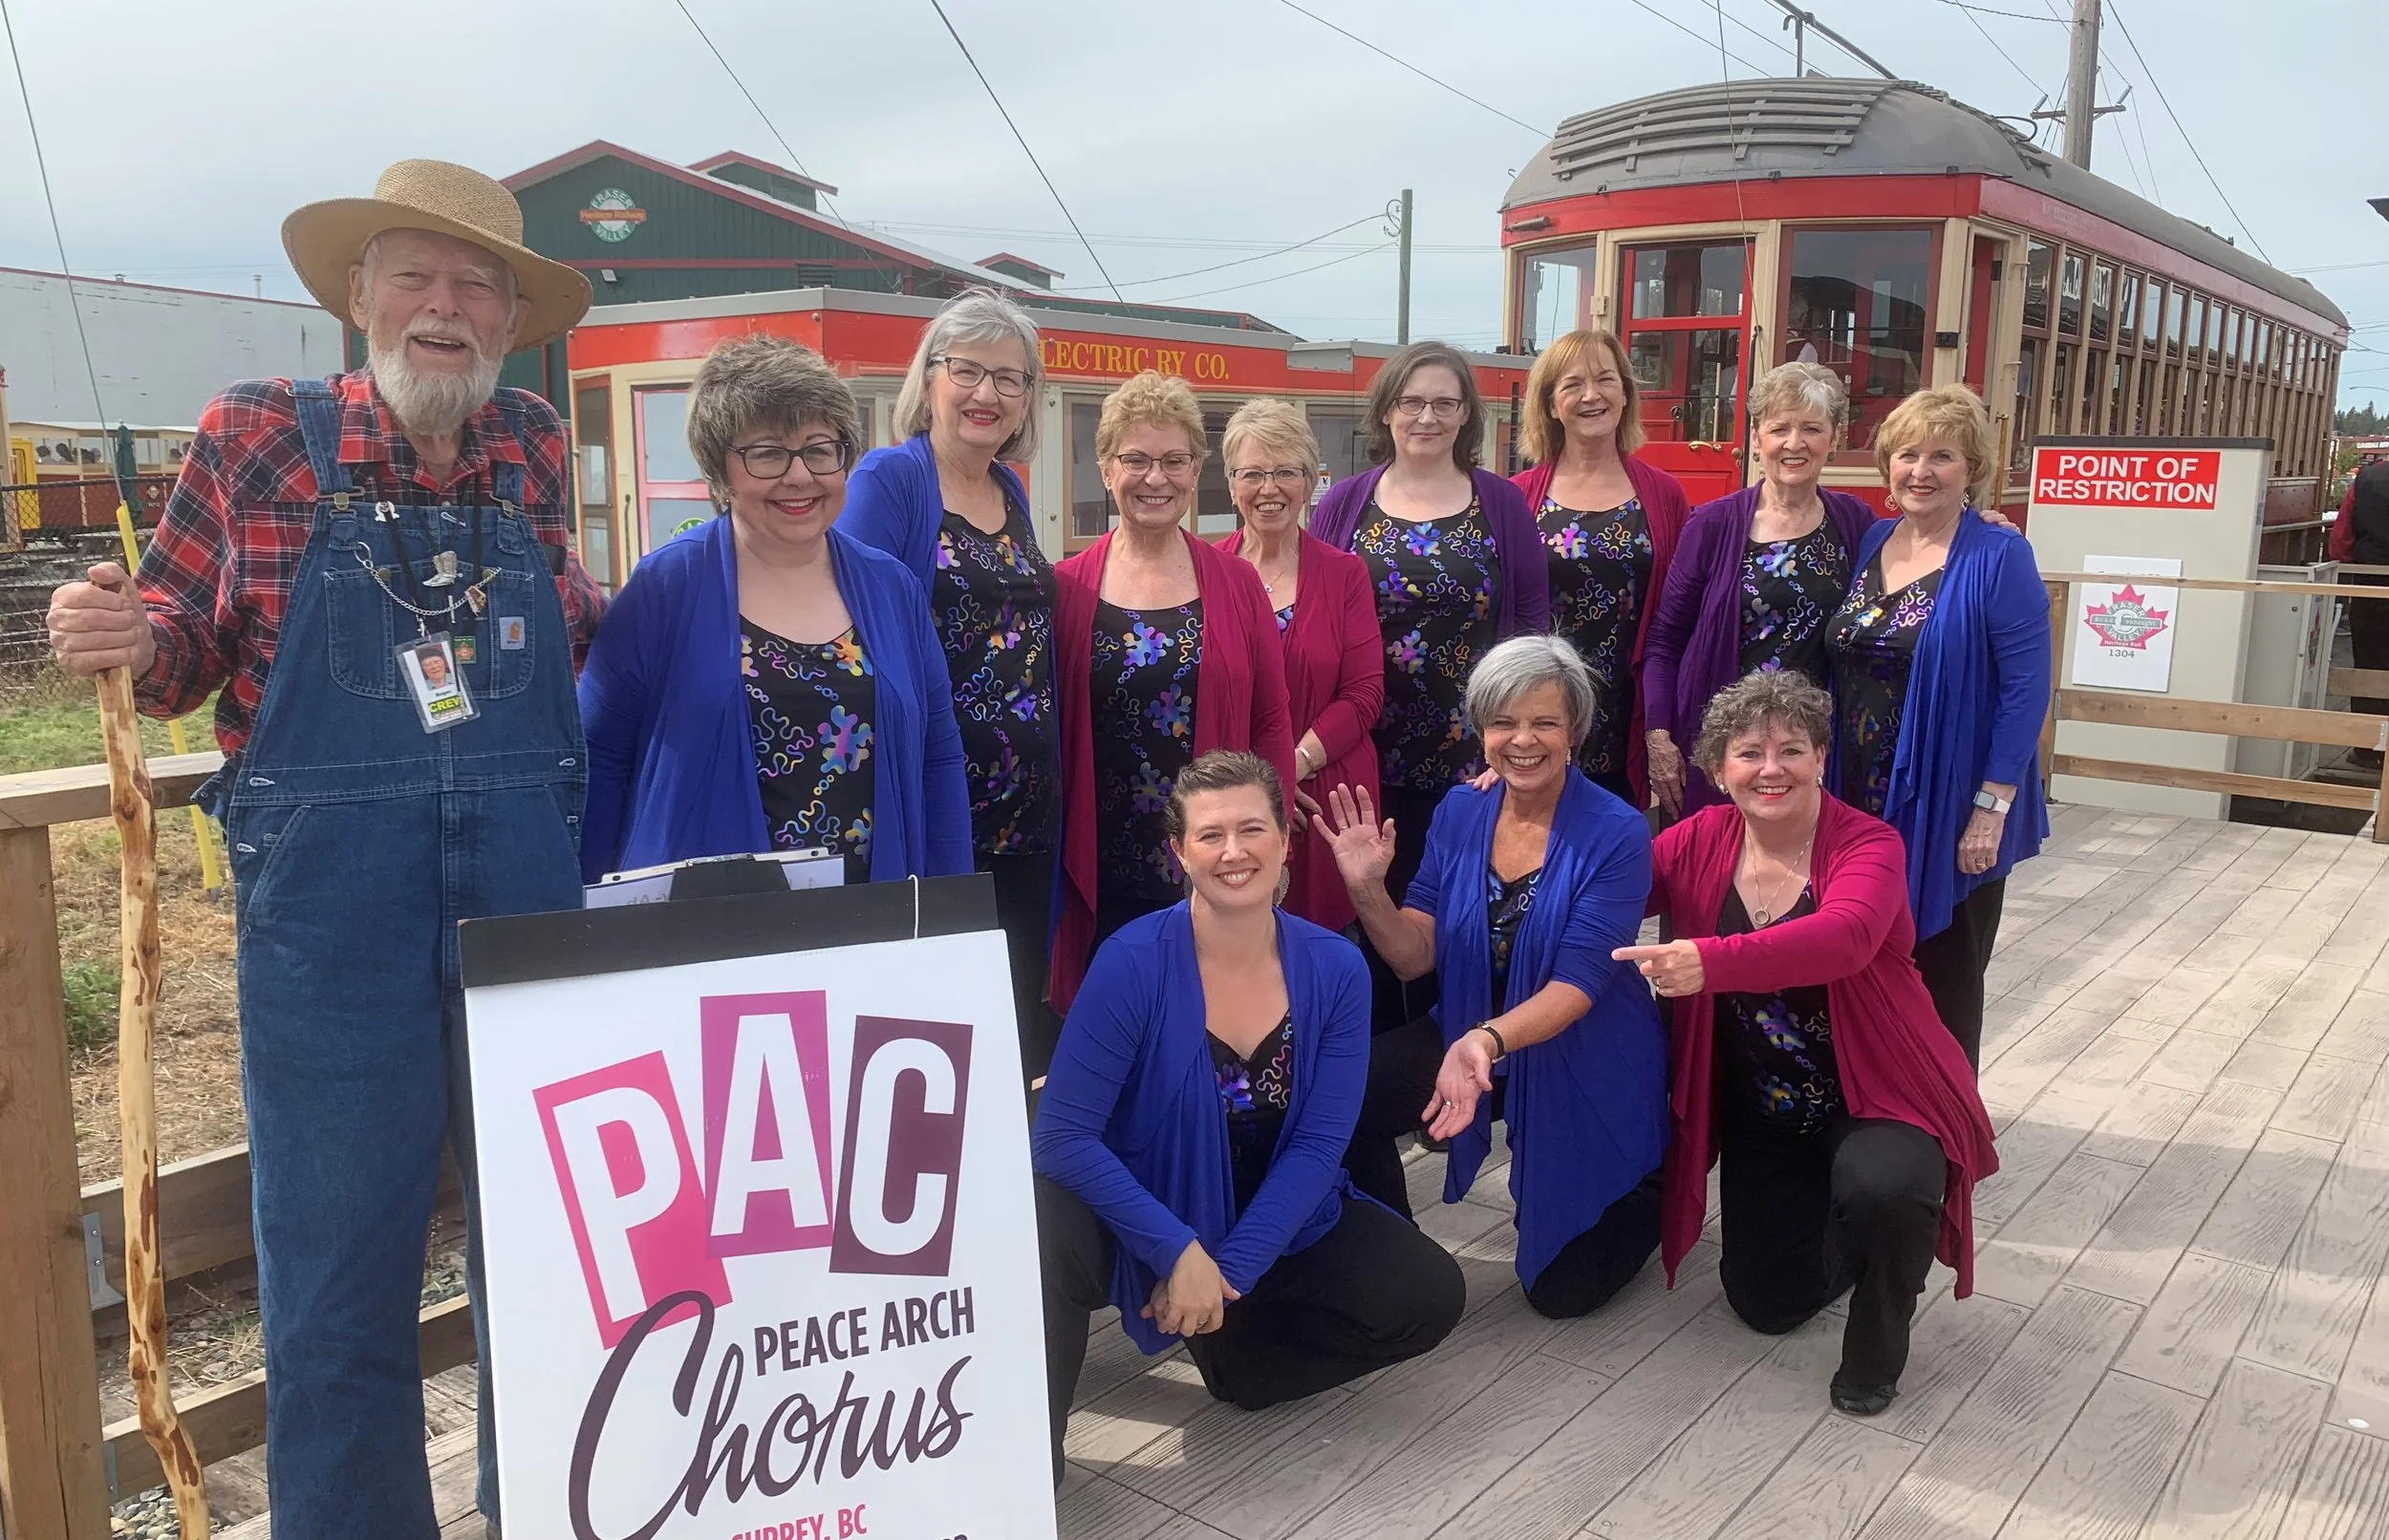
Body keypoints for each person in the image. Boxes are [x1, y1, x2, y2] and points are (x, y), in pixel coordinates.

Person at [44, 160, 604, 1539]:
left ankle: (558, 1512)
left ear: (511, 318)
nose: (445, 306)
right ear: (359, 295)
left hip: (527, 897)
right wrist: (122, 636)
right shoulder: (256, 433)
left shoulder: (531, 440)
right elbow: (179, 653)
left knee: (554, 1248)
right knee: (339, 1274)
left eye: (478, 285)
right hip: (330, 925)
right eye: (416, 275)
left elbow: (571, 620)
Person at [1032, 752, 1464, 1479]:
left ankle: (1233, 1345)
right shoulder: (1131, 961)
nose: (1233, 852)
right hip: (1149, 1199)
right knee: (1045, 1222)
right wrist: (1177, 1252)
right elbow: (1062, 1136)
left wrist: (1225, 1273)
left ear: (1285, 842)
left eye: (1252, 829)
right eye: (1210, 835)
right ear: (1180, 852)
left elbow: (1319, 1144)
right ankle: (1029, 1460)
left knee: (1428, 1296)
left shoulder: (1335, 967)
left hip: (1264, 1204)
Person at [1622, 670, 1997, 1417]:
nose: (1771, 769)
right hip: (1767, 1109)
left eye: (1791, 749)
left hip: (1879, 1088)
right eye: (1748, 753)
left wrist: (1710, 961)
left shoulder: (1869, 843)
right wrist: (1526, 799)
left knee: (1888, 1190)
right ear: (1717, 769)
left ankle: (1878, 1341)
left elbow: (1844, 937)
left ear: (1821, 758)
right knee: (1766, 1304)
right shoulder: (1697, 839)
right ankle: (1848, 1227)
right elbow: (1607, 879)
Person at [1318, 635, 1668, 1318]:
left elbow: (1578, 985)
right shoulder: (1460, 811)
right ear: (1481, 730)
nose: (1523, 740)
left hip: (1582, 1048)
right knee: (1340, 1097)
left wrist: (1485, 1040)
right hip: (1468, 1024)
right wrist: (1365, 891)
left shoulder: (1618, 831)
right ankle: (1395, 1266)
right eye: (1504, 722)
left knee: (1562, 1293)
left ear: (1576, 732)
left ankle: (1648, 1179)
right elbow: (1414, 956)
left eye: (1545, 722)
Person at [577, 333, 970, 888]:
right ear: (721, 472)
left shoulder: (892, 587)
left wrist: (951, 908)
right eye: (766, 453)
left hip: (872, 916)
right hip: (704, 923)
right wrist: (594, 919)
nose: (799, 475)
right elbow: (599, 760)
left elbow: (939, 757)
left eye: (819, 449)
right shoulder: (664, 587)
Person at [839, 289, 1064, 1070]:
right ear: (929, 378)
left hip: (1027, 814)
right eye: (967, 370)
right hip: (938, 808)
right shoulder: (892, 480)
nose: (985, 393)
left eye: (1009, 378)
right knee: (934, 1031)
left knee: (1011, 1028)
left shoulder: (1011, 489)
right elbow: (853, 629)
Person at [1309, 341, 1551, 1025]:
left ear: (1466, 414)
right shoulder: (1345, 504)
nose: (1427, 416)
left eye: (1445, 403)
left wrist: (1514, 748)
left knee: (1459, 918)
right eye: (1412, 402)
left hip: (1471, 764)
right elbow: (1314, 614)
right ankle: (1373, 1064)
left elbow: (1531, 634)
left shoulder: (1500, 502)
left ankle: (1455, 1059)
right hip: (1362, 759)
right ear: (1387, 410)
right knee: (1366, 908)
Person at [1049, 372, 1295, 1011]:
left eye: (1173, 460)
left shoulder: (1237, 583)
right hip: (1100, 864)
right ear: (1106, 469)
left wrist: (1273, 845)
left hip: (1213, 862)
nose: (1154, 478)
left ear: (1195, 470)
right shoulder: (1065, 588)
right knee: (1113, 1027)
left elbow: (1271, 722)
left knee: (1205, 1027)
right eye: (1135, 459)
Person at [1826, 385, 2049, 1065]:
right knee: (1862, 961)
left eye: (1942, 456)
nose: (1921, 471)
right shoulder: (1873, 540)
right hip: (1859, 792)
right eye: (1907, 455)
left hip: (1951, 801)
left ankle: (1945, 1118)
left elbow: (2026, 691)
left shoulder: (1998, 555)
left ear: (1971, 469)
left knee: (1944, 978)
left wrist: (1990, 810)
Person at [1644, 363, 1877, 819]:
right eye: (1779, 428)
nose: (1795, 443)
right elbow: (1665, 640)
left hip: (1814, 748)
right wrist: (1659, 736)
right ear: (1756, 438)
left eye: (1812, 428)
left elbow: (1923, 548)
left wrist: (1981, 526)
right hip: (1726, 746)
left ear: (1834, 438)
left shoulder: (1856, 524)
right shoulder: (1712, 525)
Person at [1214, 397, 1382, 931]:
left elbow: (1364, 694)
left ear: (1310, 482)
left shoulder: (1345, 573)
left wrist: (1291, 766)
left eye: (1286, 472)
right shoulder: (1206, 572)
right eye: (1253, 474)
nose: (1270, 488)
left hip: (1327, 796)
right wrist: (1262, 782)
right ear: (1231, 484)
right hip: (1234, 798)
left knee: (1324, 948)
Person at [1508, 328, 1692, 805]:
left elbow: (1677, 618)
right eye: (1573, 384)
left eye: (1605, 379)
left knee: (1617, 833)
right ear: (1551, 405)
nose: (1592, 395)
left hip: (1628, 711)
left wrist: (1662, 722)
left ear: (1625, 394)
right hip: (1541, 709)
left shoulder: (1665, 495)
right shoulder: (1517, 495)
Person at [2331, 456, 2389, 766]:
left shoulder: (2367, 479)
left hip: (2372, 586)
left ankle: (2368, 750)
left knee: (2369, 665)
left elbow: (2340, 539)